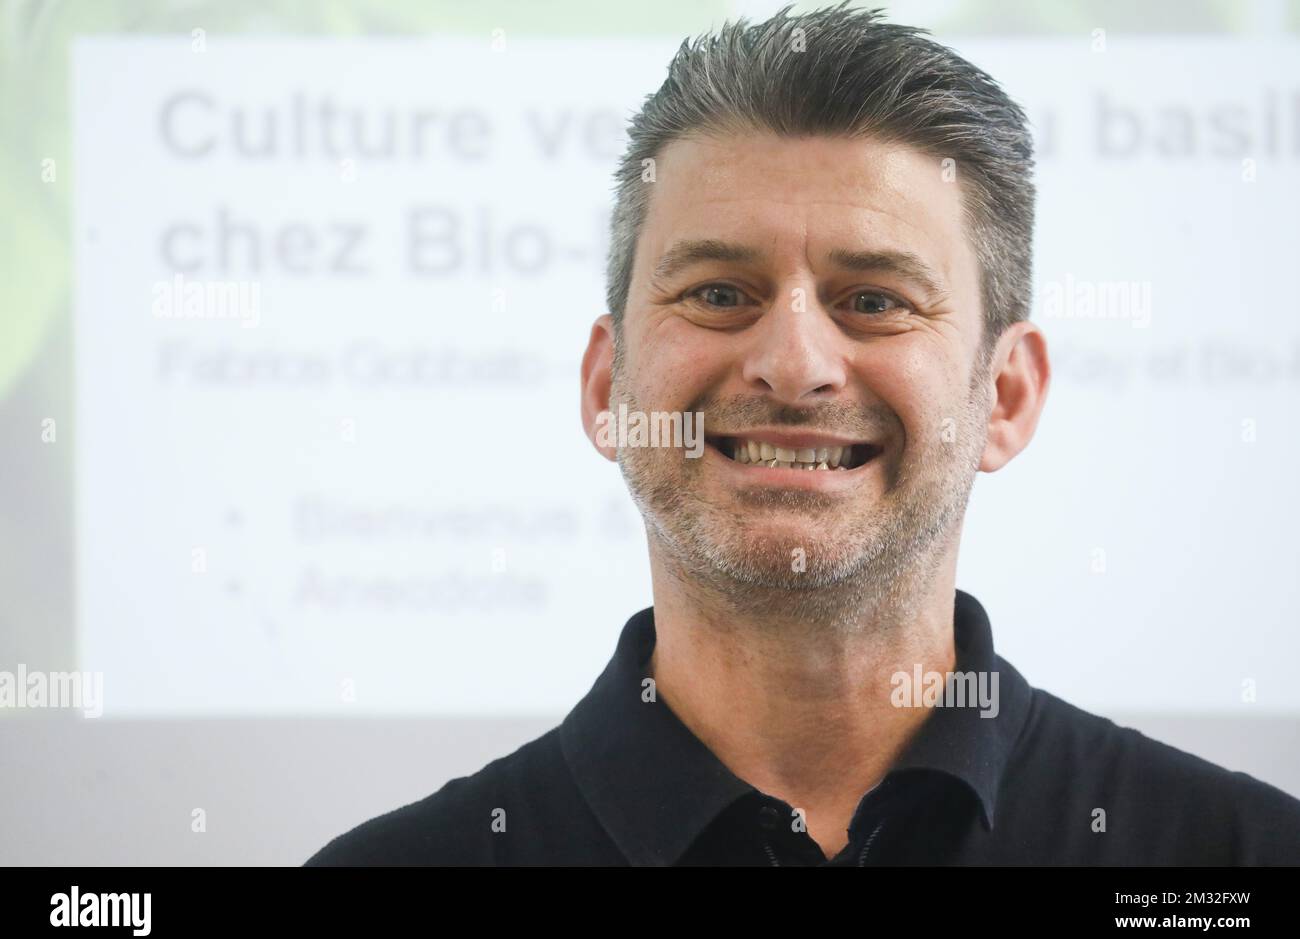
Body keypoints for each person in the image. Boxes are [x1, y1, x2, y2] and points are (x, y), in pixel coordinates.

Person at [307, 2, 1300, 865]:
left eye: (872, 298)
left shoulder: (1241, 857)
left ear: (1004, 396)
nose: (793, 360)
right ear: (607, 384)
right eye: (719, 292)